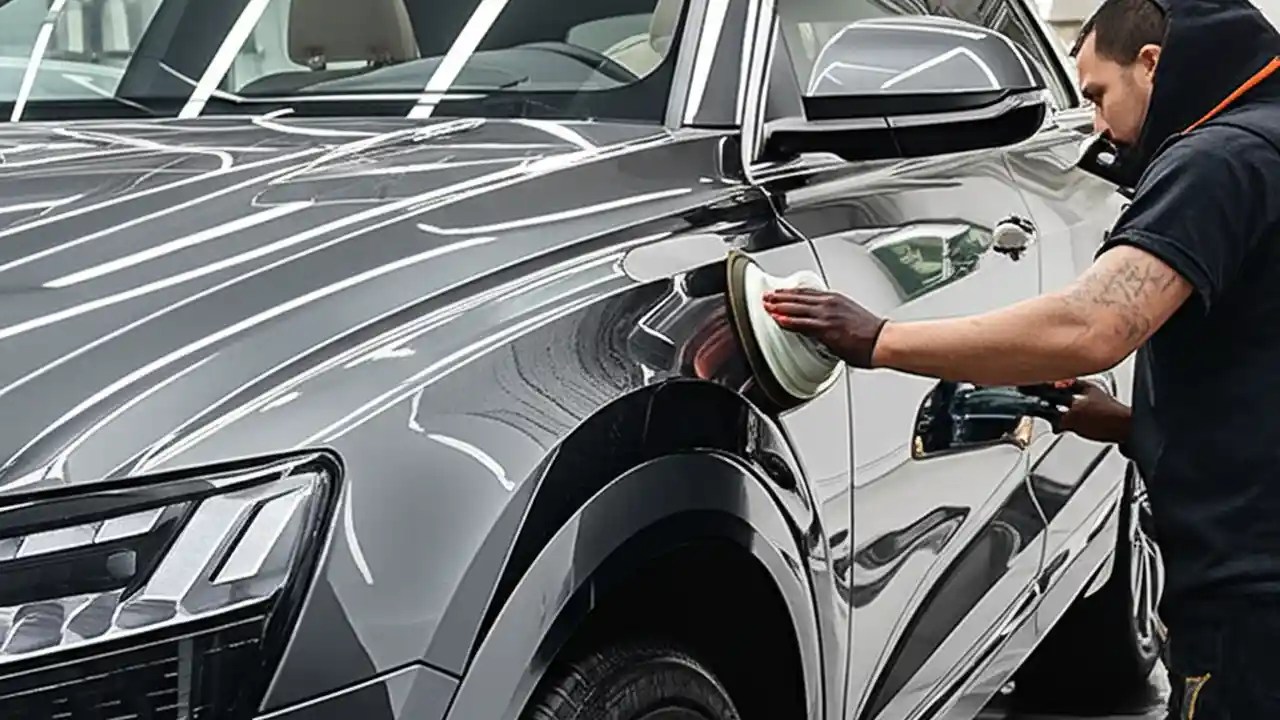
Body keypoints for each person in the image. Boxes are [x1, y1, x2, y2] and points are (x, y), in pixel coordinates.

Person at [762, 0, 1280, 716]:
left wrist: (876, 340)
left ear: (1153, 65)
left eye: (1098, 95)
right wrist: (1132, 423)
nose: (1096, 126)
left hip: (1253, 606)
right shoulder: (1264, 142)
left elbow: (1093, 325)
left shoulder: (1218, 160)